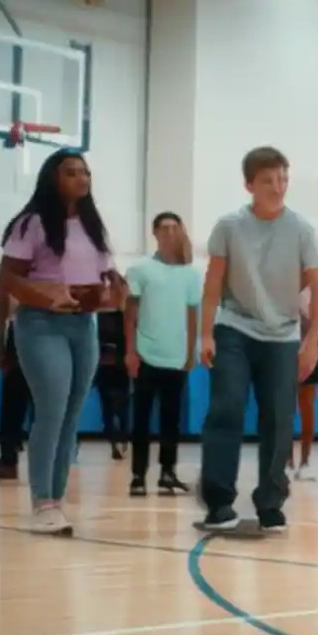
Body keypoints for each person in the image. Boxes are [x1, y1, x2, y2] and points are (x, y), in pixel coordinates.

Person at [194, 146, 318, 535]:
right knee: (227, 409)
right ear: (249, 184)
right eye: (268, 180)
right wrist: (205, 332)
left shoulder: (302, 230)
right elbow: (213, 281)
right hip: (235, 327)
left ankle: (270, 502)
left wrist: (313, 339)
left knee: (279, 418)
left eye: (283, 178)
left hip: (283, 333)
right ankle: (218, 502)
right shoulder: (229, 227)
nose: (278, 186)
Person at [0, 149, 123, 536]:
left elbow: (110, 278)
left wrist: (115, 291)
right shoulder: (31, 223)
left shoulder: (92, 226)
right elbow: (7, 278)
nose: (81, 179)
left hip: (83, 325)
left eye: (85, 172)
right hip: (41, 323)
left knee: (71, 414)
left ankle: (56, 496)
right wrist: (46, 294)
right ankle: (42, 502)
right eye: (72, 172)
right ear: (54, 178)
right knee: (50, 408)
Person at [124, 211, 199, 497]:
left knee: (172, 419)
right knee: (141, 419)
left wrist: (190, 350)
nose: (169, 233)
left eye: (174, 228)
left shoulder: (190, 274)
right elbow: (130, 313)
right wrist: (130, 350)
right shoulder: (140, 269)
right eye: (163, 228)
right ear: (154, 233)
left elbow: (192, 313)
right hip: (146, 354)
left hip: (176, 356)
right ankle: (138, 476)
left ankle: (168, 474)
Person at [288, 286, 318, 482]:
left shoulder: (315, 291)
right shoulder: (282, 287)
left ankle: (305, 462)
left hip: (311, 357)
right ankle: (287, 462)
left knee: (306, 408)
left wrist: (312, 344)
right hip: (285, 353)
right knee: (284, 409)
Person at [0, 294, 31, 480]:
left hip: (41, 334)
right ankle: (8, 460)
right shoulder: (13, 284)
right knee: (12, 407)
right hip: (21, 335)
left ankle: (9, 460)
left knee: (16, 408)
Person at [93, 300, 130, 460]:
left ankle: (118, 439)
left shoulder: (125, 316)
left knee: (117, 406)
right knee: (114, 406)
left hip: (117, 366)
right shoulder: (100, 315)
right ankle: (118, 439)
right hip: (110, 366)